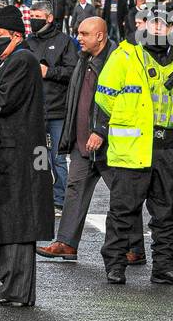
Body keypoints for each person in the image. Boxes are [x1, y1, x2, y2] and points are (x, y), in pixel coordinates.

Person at [36, 17, 144, 264]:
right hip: (82, 142)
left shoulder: (119, 60)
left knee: (124, 195)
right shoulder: (84, 58)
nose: (79, 38)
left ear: (100, 36)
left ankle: (135, 248)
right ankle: (66, 243)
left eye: (84, 34)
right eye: (78, 33)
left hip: (110, 143)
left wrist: (101, 130)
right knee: (75, 191)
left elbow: (124, 101)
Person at [0, 5, 55, 306]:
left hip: (17, 153)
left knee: (18, 221)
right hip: (10, 151)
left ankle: (17, 290)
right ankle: (9, 287)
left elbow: (3, 102)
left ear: (16, 35)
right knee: (8, 221)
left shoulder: (21, 60)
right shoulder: (9, 60)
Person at [95, 6, 173, 285]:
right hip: (133, 147)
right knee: (124, 210)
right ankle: (115, 264)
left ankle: (164, 266)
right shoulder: (126, 56)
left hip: (167, 147)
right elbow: (104, 97)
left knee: (166, 212)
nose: (156, 30)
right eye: (152, 24)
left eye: (163, 26)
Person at [24, 0, 79, 213]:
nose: (34, 21)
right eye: (32, 18)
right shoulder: (29, 42)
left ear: (49, 18)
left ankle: (60, 199)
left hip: (57, 110)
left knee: (57, 158)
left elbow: (73, 71)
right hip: (34, 109)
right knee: (38, 157)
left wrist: (50, 72)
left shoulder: (64, 41)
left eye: (38, 18)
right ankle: (40, 195)